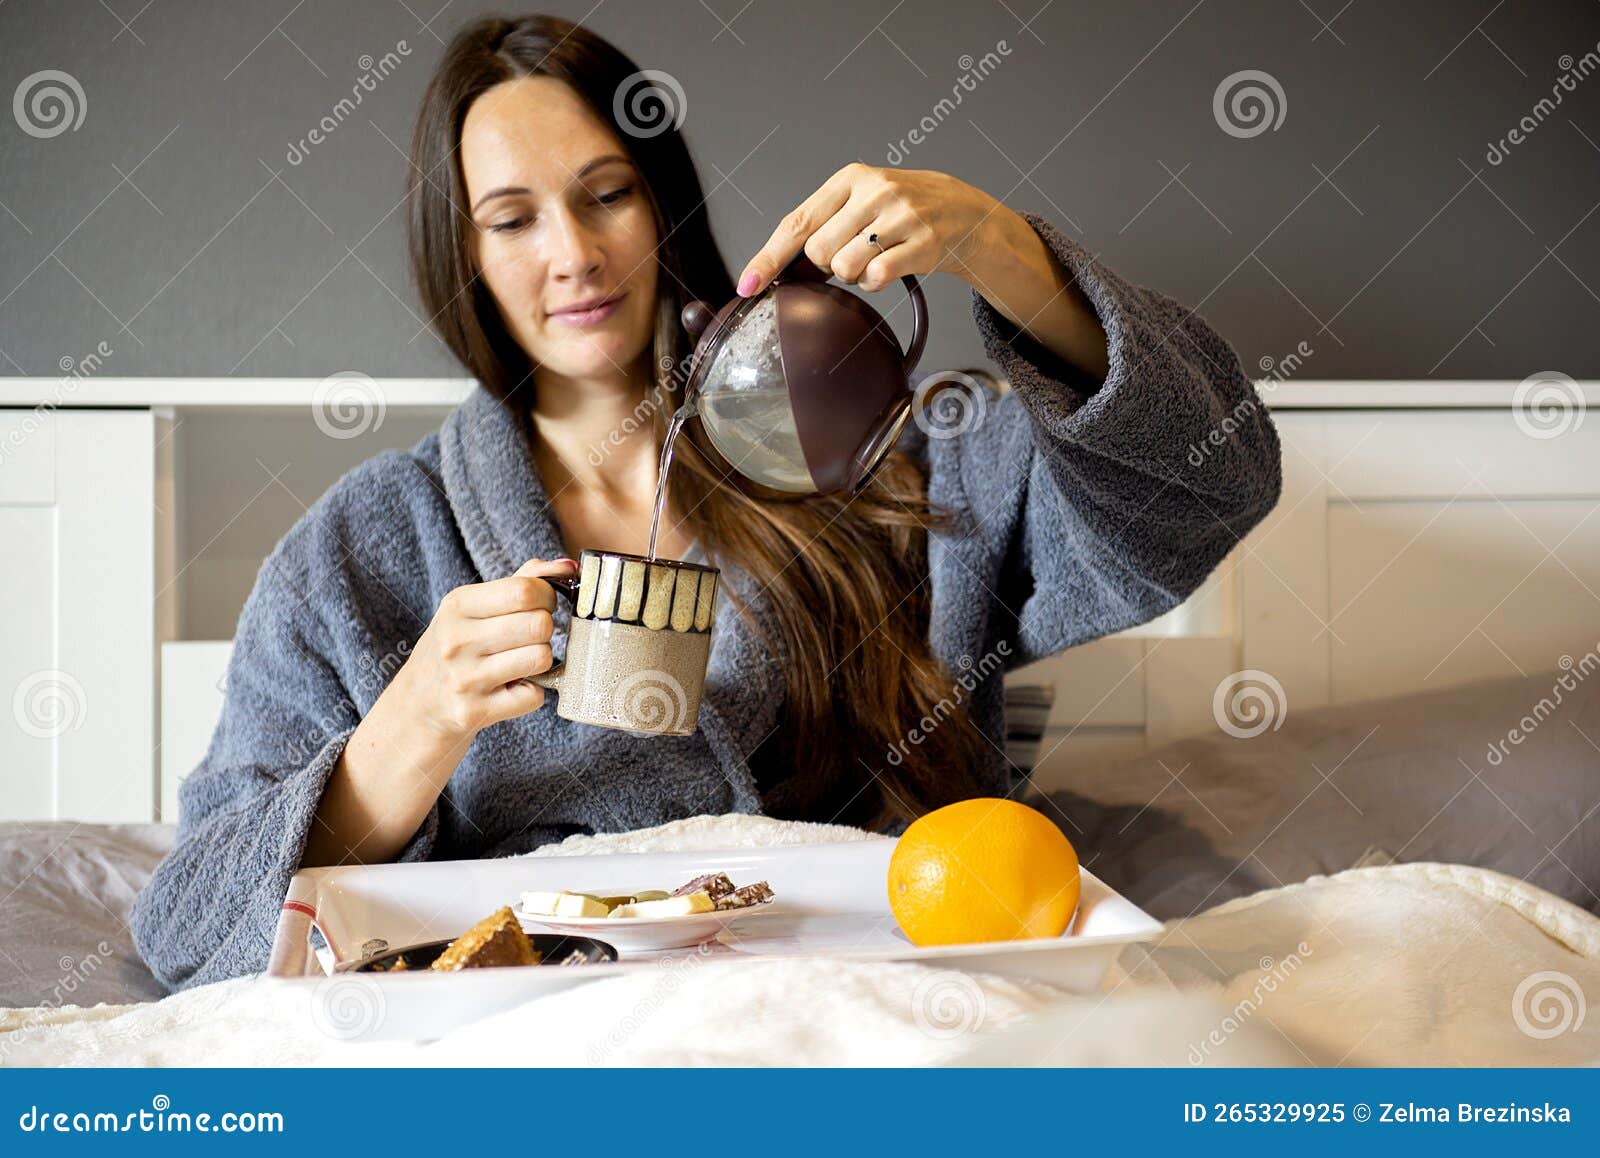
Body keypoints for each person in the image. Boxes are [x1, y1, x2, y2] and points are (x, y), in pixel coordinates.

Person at [131, 14, 1281, 990]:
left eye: (607, 194)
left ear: (664, 207)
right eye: (512, 218)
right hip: (551, 1037)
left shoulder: (869, 449)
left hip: (877, 1006)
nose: (574, 254)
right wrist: (403, 738)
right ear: (464, 256)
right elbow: (189, 931)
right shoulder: (363, 552)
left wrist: (1002, 249)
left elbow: (1208, 482)